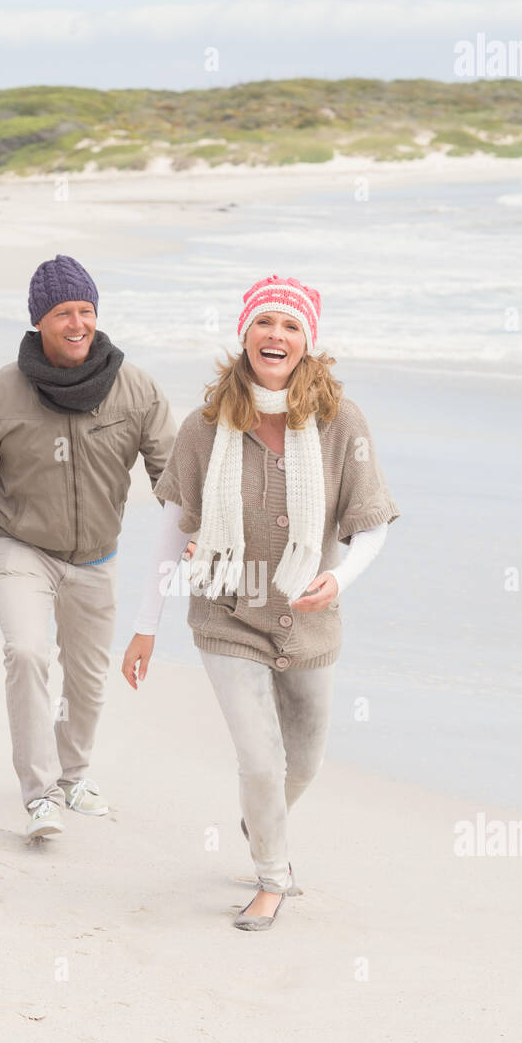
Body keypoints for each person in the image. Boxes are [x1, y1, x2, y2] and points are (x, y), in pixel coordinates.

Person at [121, 274, 400, 930]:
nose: (276, 335)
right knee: (260, 759)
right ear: (244, 334)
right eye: (265, 323)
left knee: (301, 760)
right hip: (228, 609)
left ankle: (260, 818)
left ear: (309, 342)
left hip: (310, 618)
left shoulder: (340, 422)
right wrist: (145, 626)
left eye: (291, 325)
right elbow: (172, 531)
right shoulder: (205, 426)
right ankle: (272, 877)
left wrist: (341, 578)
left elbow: (373, 521)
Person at [0, 255, 177, 839]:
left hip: (98, 557)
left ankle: (74, 776)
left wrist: (209, 542)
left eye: (86, 310)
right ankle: (38, 794)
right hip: (21, 548)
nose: (77, 323)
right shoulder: (3, 392)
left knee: (87, 677)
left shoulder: (135, 388)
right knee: (28, 653)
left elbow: (173, 480)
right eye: (62, 313)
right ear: (39, 322)